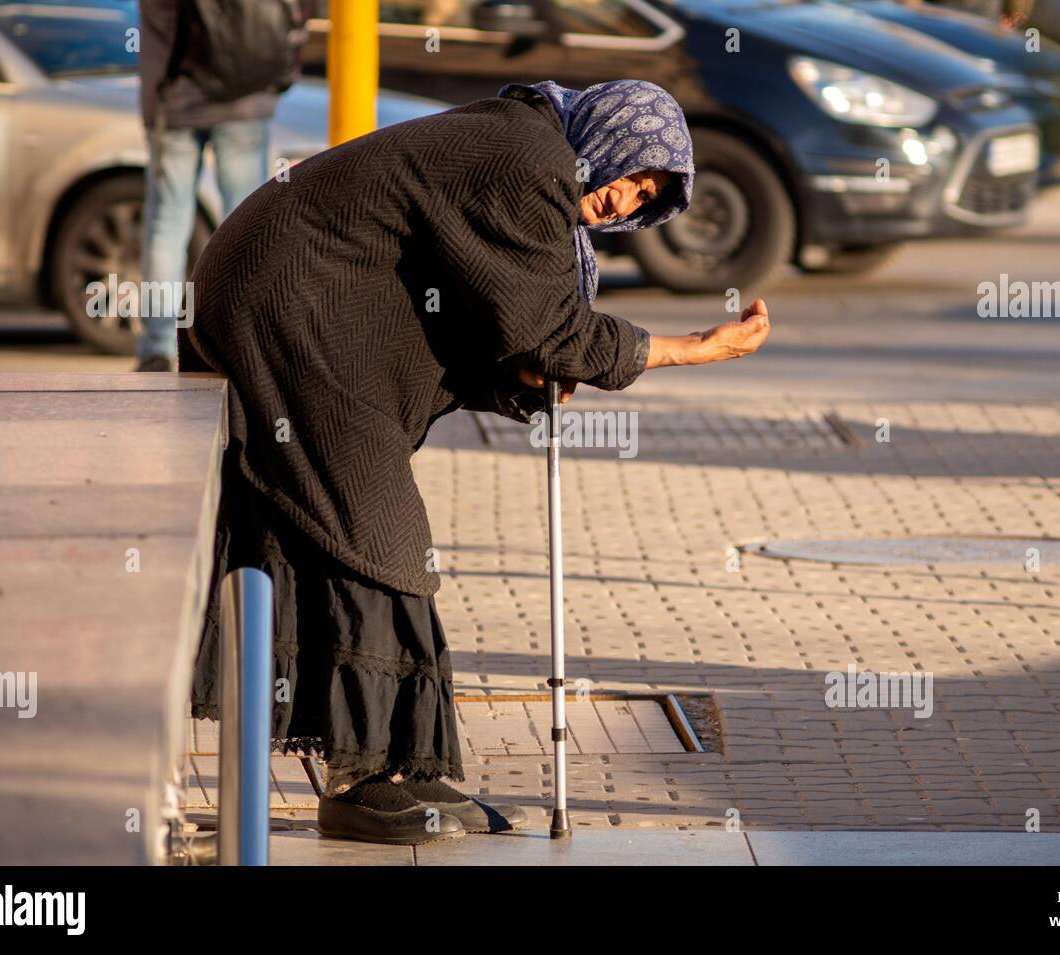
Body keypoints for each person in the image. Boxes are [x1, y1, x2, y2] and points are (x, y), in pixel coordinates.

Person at [180, 79, 771, 845]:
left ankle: (400, 767)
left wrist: (528, 371)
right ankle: (367, 779)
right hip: (286, 304)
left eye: (647, 199)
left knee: (331, 519)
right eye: (635, 176)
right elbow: (553, 329)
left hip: (299, 303)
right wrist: (693, 349)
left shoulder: (529, 149)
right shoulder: (533, 162)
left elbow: (490, 315)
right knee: (374, 527)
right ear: (613, 138)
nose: (625, 203)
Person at [134, 0, 302, 372]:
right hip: (244, 102)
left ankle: (159, 347)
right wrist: (279, 75)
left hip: (177, 102)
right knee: (243, 226)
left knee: (166, 225)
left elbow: (161, 30)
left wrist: (156, 99)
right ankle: (238, 341)